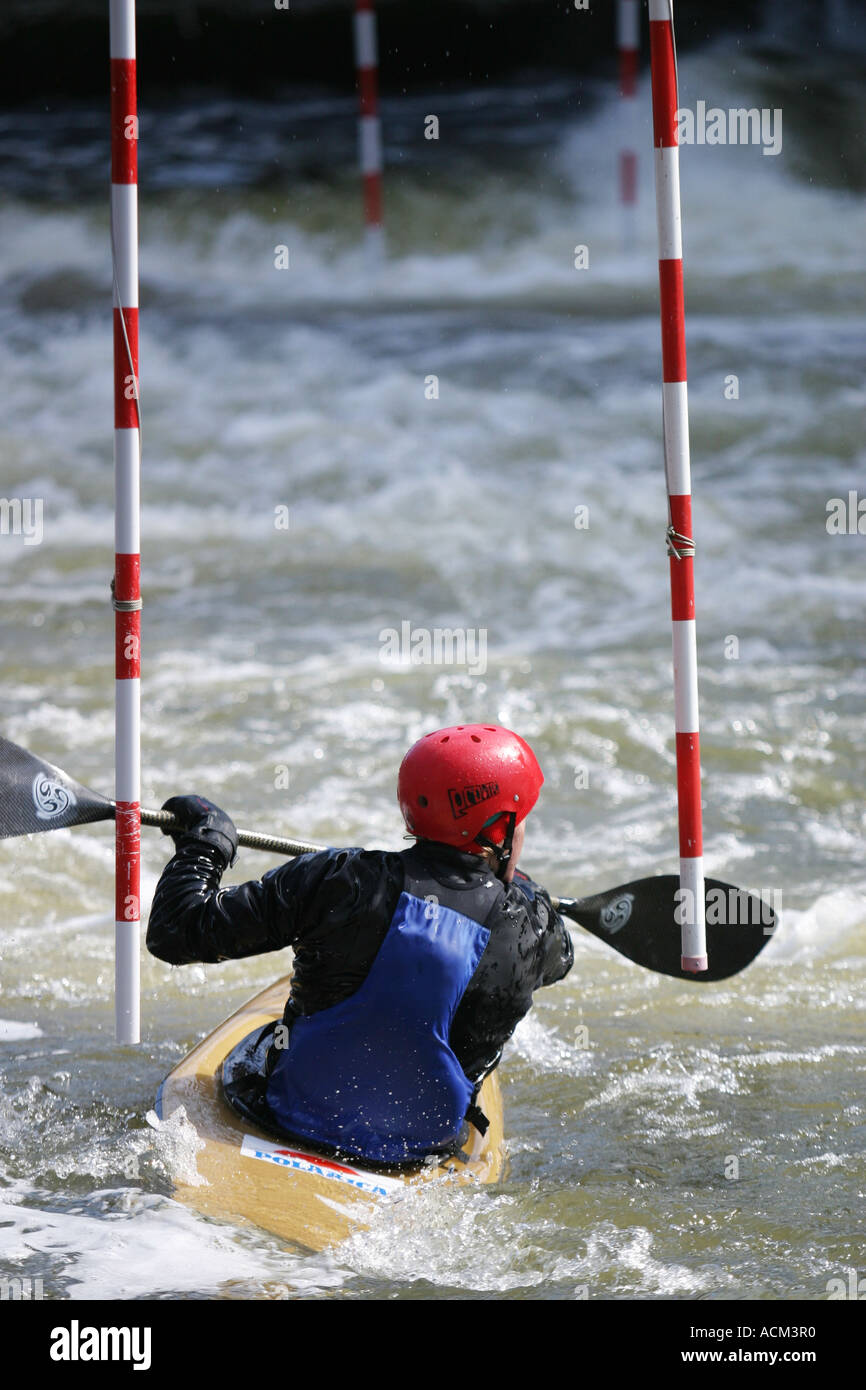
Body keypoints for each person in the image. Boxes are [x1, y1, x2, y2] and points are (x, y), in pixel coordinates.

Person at [147, 723, 573, 1166]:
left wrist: (206, 844)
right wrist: (519, 888)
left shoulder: (339, 879)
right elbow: (560, 960)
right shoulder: (534, 927)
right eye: (520, 821)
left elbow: (176, 932)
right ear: (499, 828)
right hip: (418, 1152)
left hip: (283, 1118)